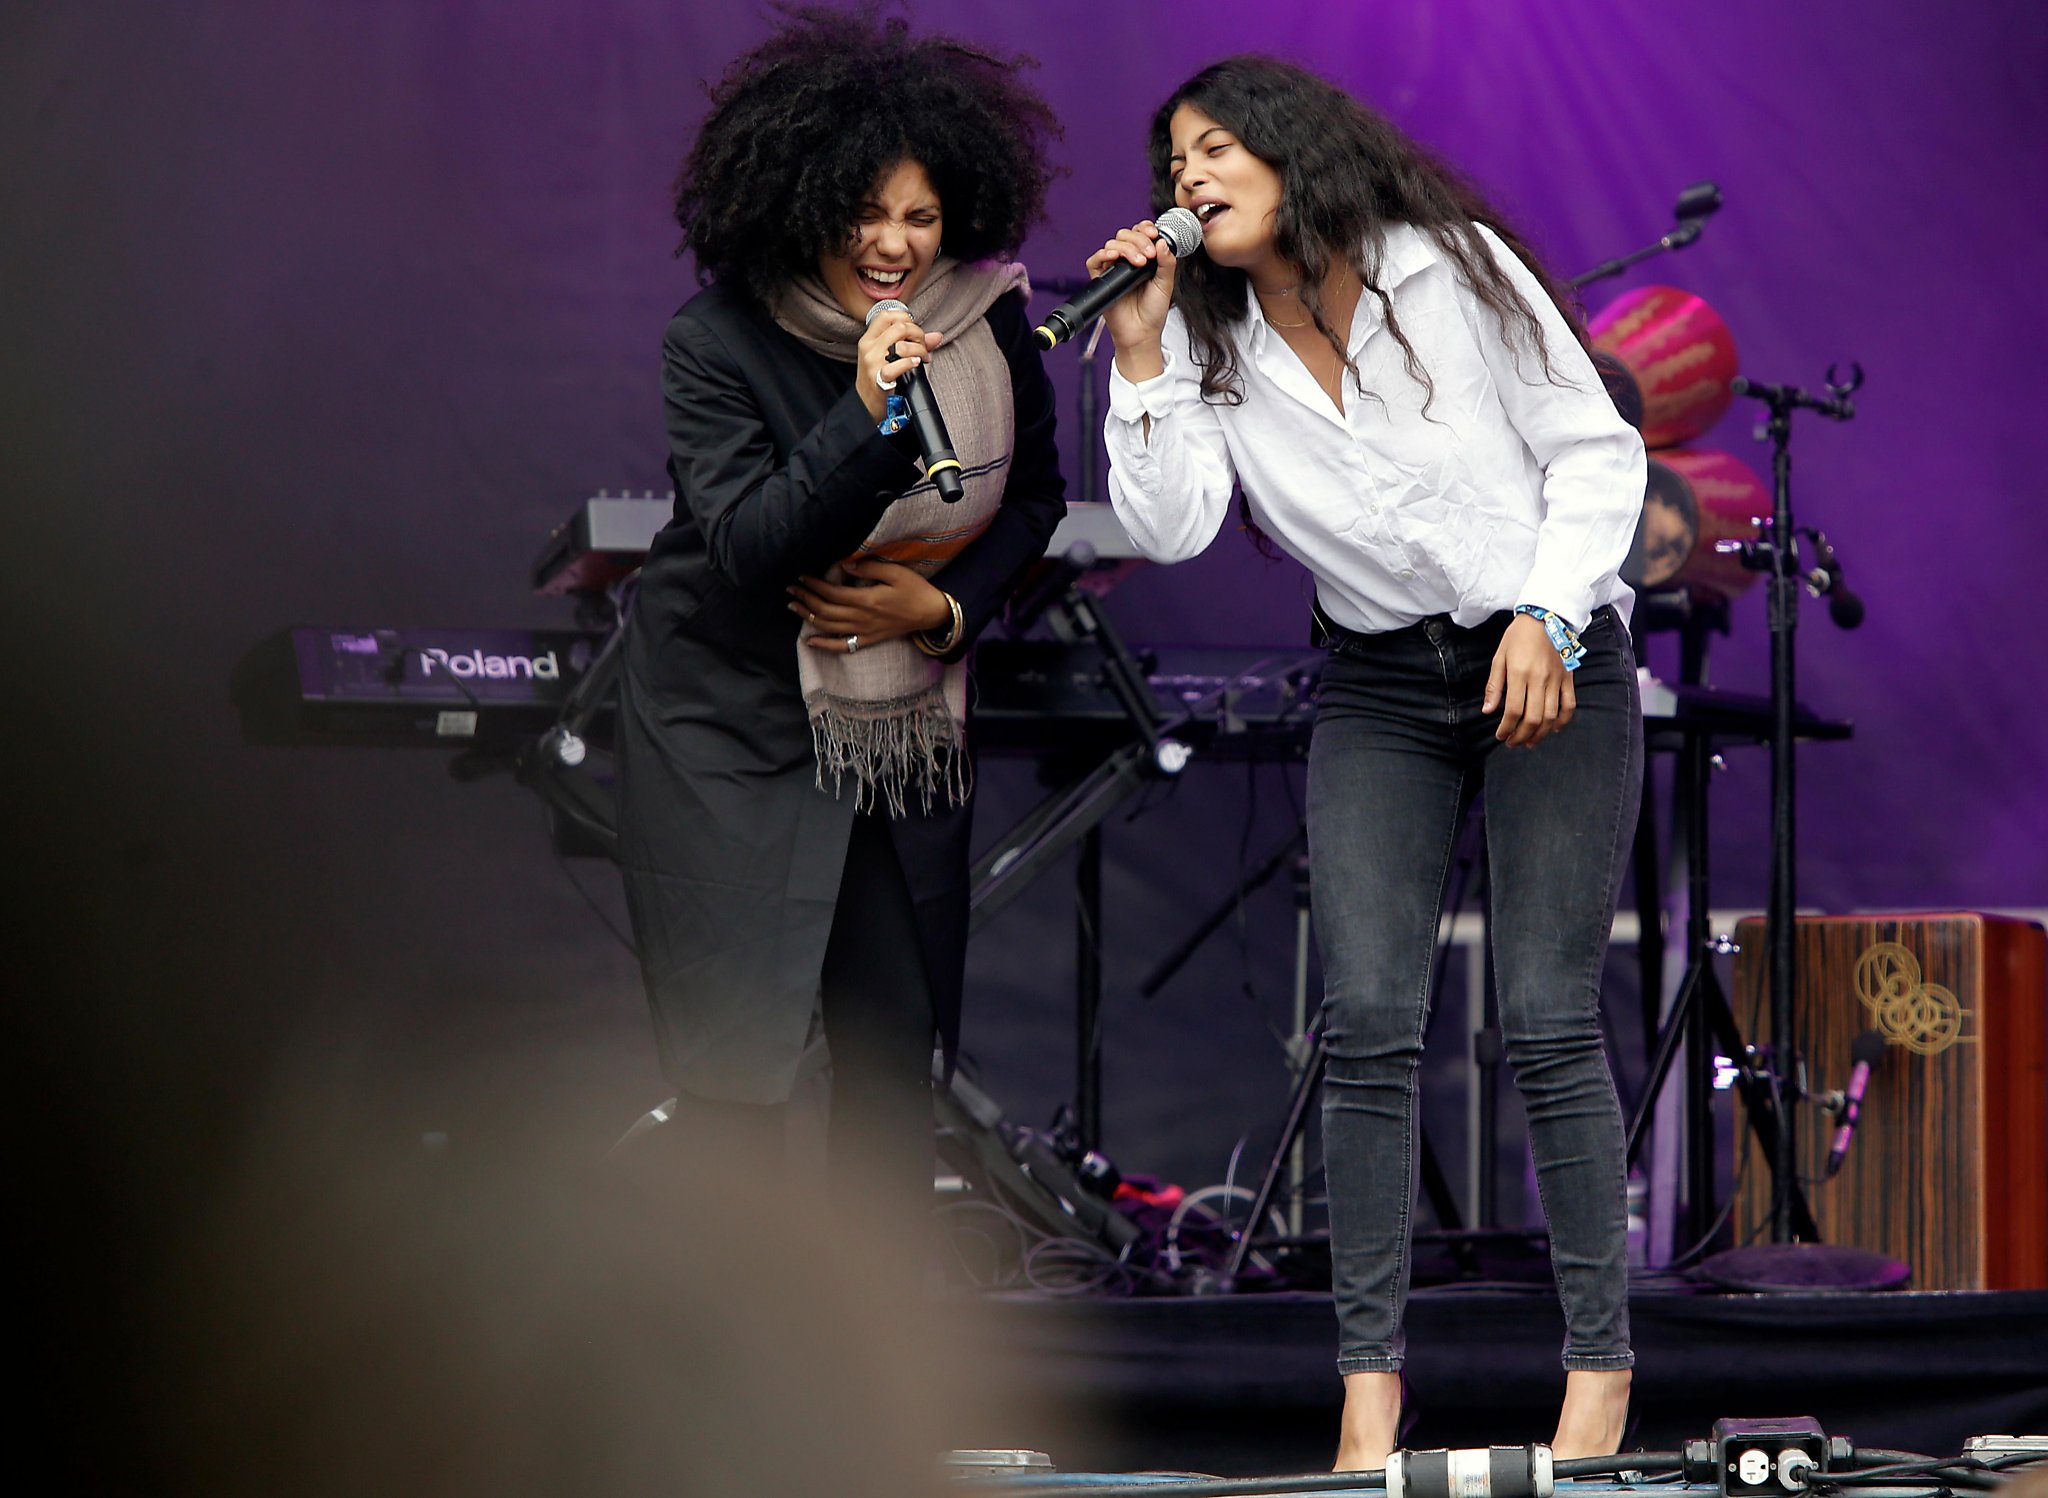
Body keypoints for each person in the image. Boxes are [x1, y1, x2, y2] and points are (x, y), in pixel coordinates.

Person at [1091, 56, 1644, 1468]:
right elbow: (1168, 528)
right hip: (1384, 679)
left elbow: (1595, 450)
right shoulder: (1209, 334)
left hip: (1550, 646)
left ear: (1291, 153)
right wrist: (1144, 352)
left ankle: (1597, 1374)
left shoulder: (1446, 269)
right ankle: (1368, 1392)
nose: (1190, 179)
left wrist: (1548, 613)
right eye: (1173, 164)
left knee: (1543, 1014)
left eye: (1216, 149)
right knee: (1372, 1022)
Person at [616, 9, 1065, 1225]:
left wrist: (945, 606)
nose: (893, 246)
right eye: (865, 215)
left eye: (920, 219)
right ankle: (731, 1381)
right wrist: (870, 413)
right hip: (733, 722)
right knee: (736, 1073)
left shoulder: (982, 324)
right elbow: (757, 545)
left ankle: (876, 1383)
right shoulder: (712, 340)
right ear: (800, 199)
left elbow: (1034, 500)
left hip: (896, 720)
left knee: (887, 1058)